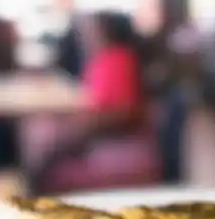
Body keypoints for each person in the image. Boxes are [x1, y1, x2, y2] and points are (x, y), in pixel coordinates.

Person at [29, 11, 157, 192]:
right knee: (40, 141)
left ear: (107, 32)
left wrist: (80, 127)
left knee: (44, 152)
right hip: (97, 132)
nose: (86, 36)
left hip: (111, 137)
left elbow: (126, 112)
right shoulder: (101, 59)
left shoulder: (120, 59)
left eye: (92, 30)